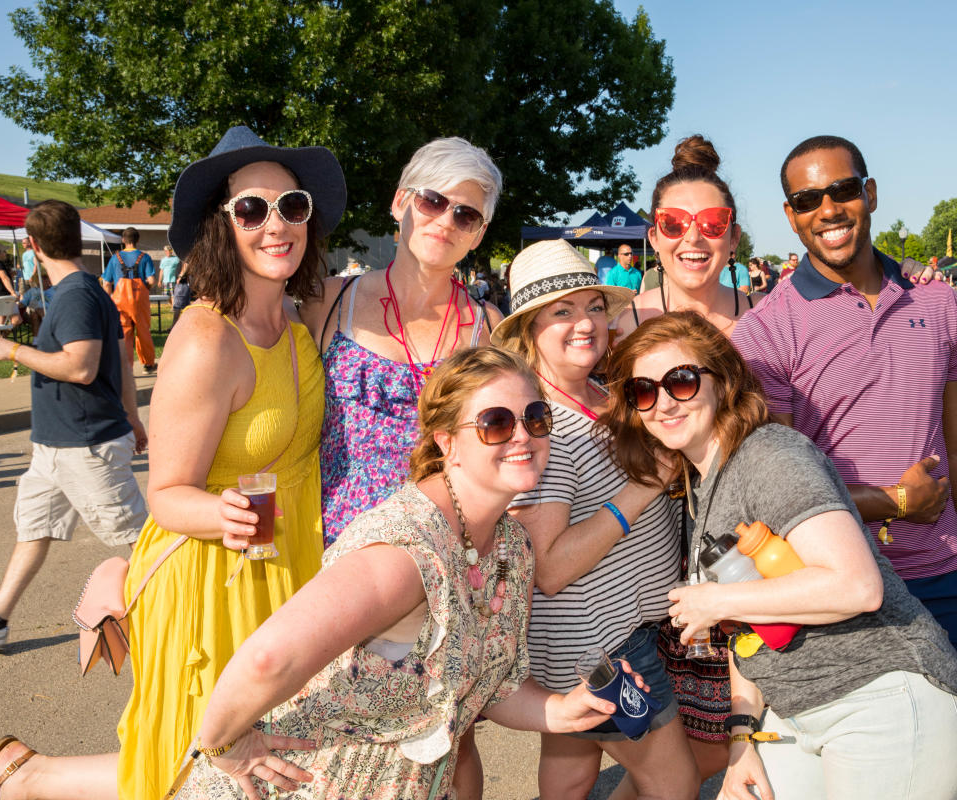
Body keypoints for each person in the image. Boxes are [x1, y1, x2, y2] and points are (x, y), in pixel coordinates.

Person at [115, 346, 641, 799]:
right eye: (496, 423)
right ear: (446, 442)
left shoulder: (508, 545)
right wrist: (225, 745)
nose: (522, 435)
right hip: (305, 784)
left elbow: (489, 687)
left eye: (536, 418)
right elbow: (267, 658)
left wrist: (563, 711)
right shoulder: (407, 551)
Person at [0, 126, 345, 800]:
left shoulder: (302, 327)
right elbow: (165, 494)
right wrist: (227, 512)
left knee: (252, 767)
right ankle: (29, 780)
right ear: (222, 226)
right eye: (252, 209)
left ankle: (26, 776)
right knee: (209, 769)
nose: (276, 225)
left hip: (285, 571)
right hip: (212, 582)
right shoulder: (206, 338)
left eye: (292, 206)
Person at [603, 311, 957, 800]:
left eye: (682, 381)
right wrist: (740, 736)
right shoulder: (703, 485)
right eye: (645, 392)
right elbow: (749, 630)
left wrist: (715, 603)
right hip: (799, 713)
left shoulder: (769, 455)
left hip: (884, 700)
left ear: (723, 383)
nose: (664, 404)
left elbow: (857, 587)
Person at [731, 135, 957, 698]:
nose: (829, 209)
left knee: (951, 761)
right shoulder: (765, 333)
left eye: (842, 190)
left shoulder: (937, 304)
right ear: (791, 218)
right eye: (809, 199)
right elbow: (780, 489)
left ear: (869, 193)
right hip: (830, 583)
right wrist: (894, 501)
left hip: (941, 577)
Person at [297, 136, 504, 798]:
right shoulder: (328, 301)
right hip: (337, 562)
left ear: (478, 235)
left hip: (442, 568)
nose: (444, 221)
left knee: (450, 738)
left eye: (465, 214)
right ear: (400, 204)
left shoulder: (488, 329)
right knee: (327, 737)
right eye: (433, 201)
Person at [491, 240, 697, 800]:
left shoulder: (605, 396)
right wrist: (642, 490)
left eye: (594, 307)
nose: (584, 323)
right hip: (599, 644)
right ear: (530, 328)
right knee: (675, 784)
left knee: (573, 767)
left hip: (616, 630)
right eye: (562, 312)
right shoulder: (541, 424)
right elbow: (549, 569)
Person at [610, 133, 766, 791]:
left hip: (743, 550)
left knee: (715, 742)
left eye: (712, 224)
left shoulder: (764, 315)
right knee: (661, 744)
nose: (693, 238)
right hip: (651, 556)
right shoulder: (623, 322)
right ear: (654, 234)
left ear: (733, 238)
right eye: (675, 224)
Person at [0, 200, 147, 655]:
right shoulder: (86, 290)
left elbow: (81, 367)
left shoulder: (78, 294)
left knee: (140, 540)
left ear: (34, 246)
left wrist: (9, 351)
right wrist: (135, 416)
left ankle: (185, 617)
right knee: (34, 530)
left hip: (85, 445)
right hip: (55, 447)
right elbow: (120, 359)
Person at [101, 226, 158, 373]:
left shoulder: (115, 258)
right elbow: (151, 280)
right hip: (139, 299)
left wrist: (108, 300)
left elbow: (106, 282)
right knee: (143, 331)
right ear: (137, 240)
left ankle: (126, 368)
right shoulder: (144, 257)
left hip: (120, 301)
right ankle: (148, 364)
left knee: (125, 334)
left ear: (123, 240)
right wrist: (145, 288)